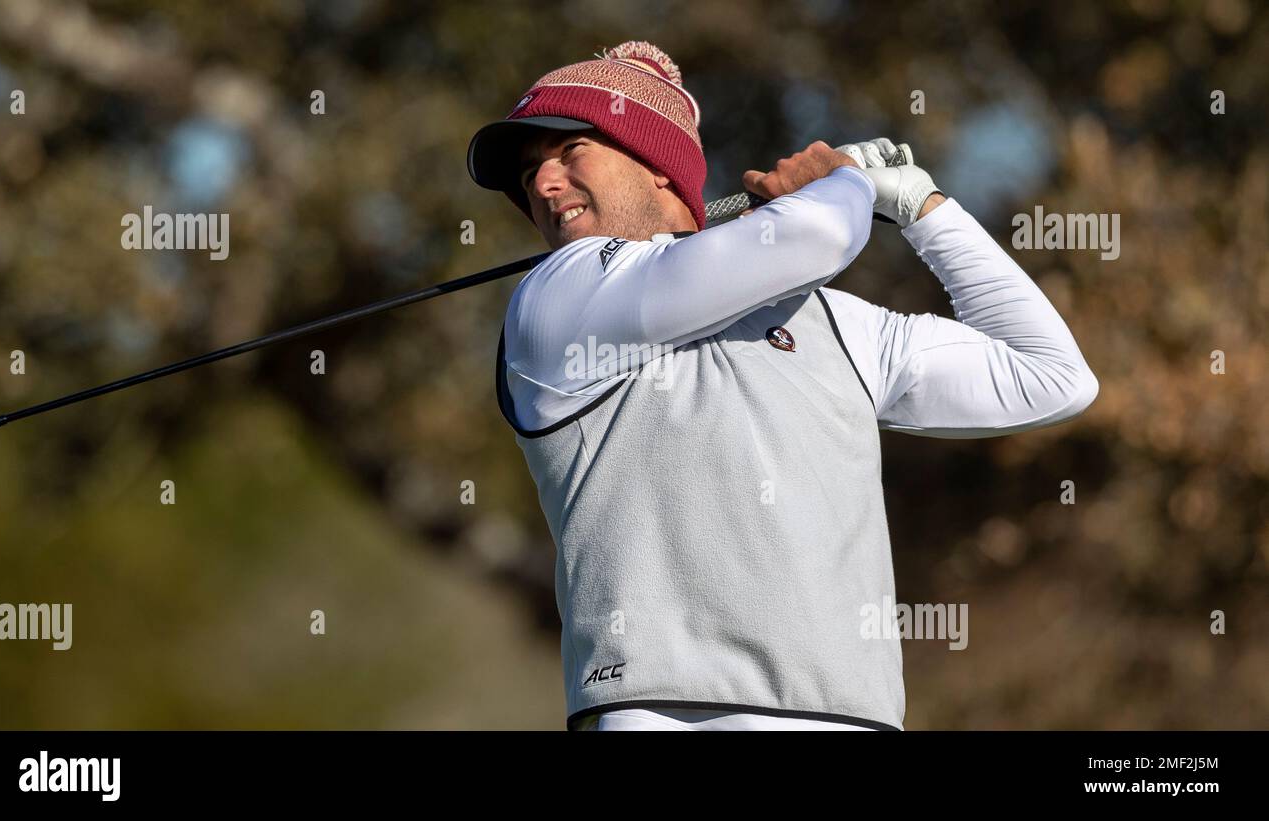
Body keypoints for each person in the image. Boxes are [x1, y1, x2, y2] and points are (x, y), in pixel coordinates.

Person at [466, 41, 1098, 731]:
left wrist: (922, 205)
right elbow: (820, 233)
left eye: (570, 152)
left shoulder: (827, 320)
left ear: (656, 165)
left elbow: (1050, 374)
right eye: (530, 174)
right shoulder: (558, 300)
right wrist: (847, 180)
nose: (543, 185)